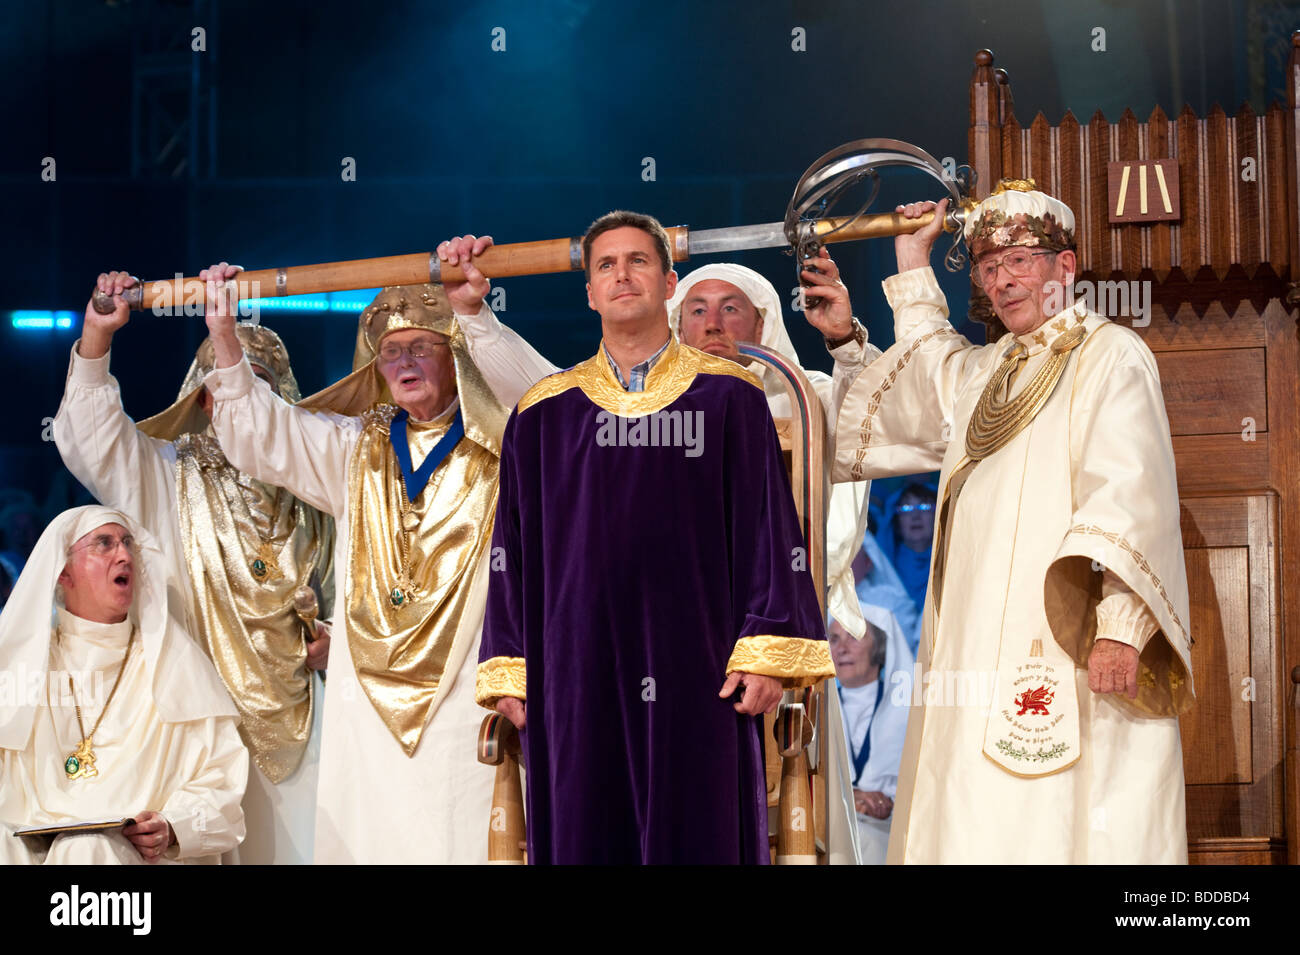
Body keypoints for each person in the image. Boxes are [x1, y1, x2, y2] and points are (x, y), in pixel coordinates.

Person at [827, 181, 1194, 864]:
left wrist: (1119, 627)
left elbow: (1130, 493)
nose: (1002, 280)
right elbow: (924, 383)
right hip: (968, 647)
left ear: (1066, 266)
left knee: (1061, 816)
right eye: (990, 267)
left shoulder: (1108, 355)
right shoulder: (988, 367)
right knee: (969, 808)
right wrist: (913, 265)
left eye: (1020, 260)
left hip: (1062, 640)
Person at [475, 210, 833, 864]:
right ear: (588, 291)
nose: (622, 275)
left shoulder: (730, 399)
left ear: (668, 282)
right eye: (606, 264)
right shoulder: (543, 413)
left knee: (699, 833)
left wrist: (767, 651)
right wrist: (511, 665)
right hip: (574, 673)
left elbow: (769, 531)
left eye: (638, 261)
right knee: (588, 833)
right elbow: (510, 554)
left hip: (702, 667)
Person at [200, 263, 507, 863]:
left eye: (422, 345)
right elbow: (263, 433)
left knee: (463, 835)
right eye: (390, 351)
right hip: (363, 703)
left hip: (465, 690)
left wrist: (476, 312)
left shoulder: (504, 443)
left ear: (456, 357)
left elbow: (549, 392)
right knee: (371, 838)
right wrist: (224, 333)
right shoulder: (354, 444)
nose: (405, 361)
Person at [53, 272, 333, 865]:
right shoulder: (168, 472)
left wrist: (341, 639)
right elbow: (92, 440)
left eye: (257, 388)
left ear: (282, 400)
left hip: (311, 727)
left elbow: (357, 589)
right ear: (200, 399)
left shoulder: (317, 484)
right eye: (223, 388)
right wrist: (98, 336)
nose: (239, 405)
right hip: (192, 727)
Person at [0, 506, 247, 864]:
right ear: (63, 572)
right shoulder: (24, 662)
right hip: (32, 849)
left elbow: (220, 777)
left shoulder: (173, 661)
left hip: (138, 858)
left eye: (128, 543)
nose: (124, 555)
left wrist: (173, 826)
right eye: (104, 544)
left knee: (85, 849)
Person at [829, 604, 913, 865]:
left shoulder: (912, 712)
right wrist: (848, 797)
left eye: (853, 636)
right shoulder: (817, 709)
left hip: (894, 830)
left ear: (879, 648)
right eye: (833, 639)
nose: (841, 649)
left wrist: (889, 802)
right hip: (832, 826)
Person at [875, 479, 937, 634]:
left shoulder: (952, 565)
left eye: (925, 506)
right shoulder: (880, 566)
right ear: (896, 519)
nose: (916, 515)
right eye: (907, 507)